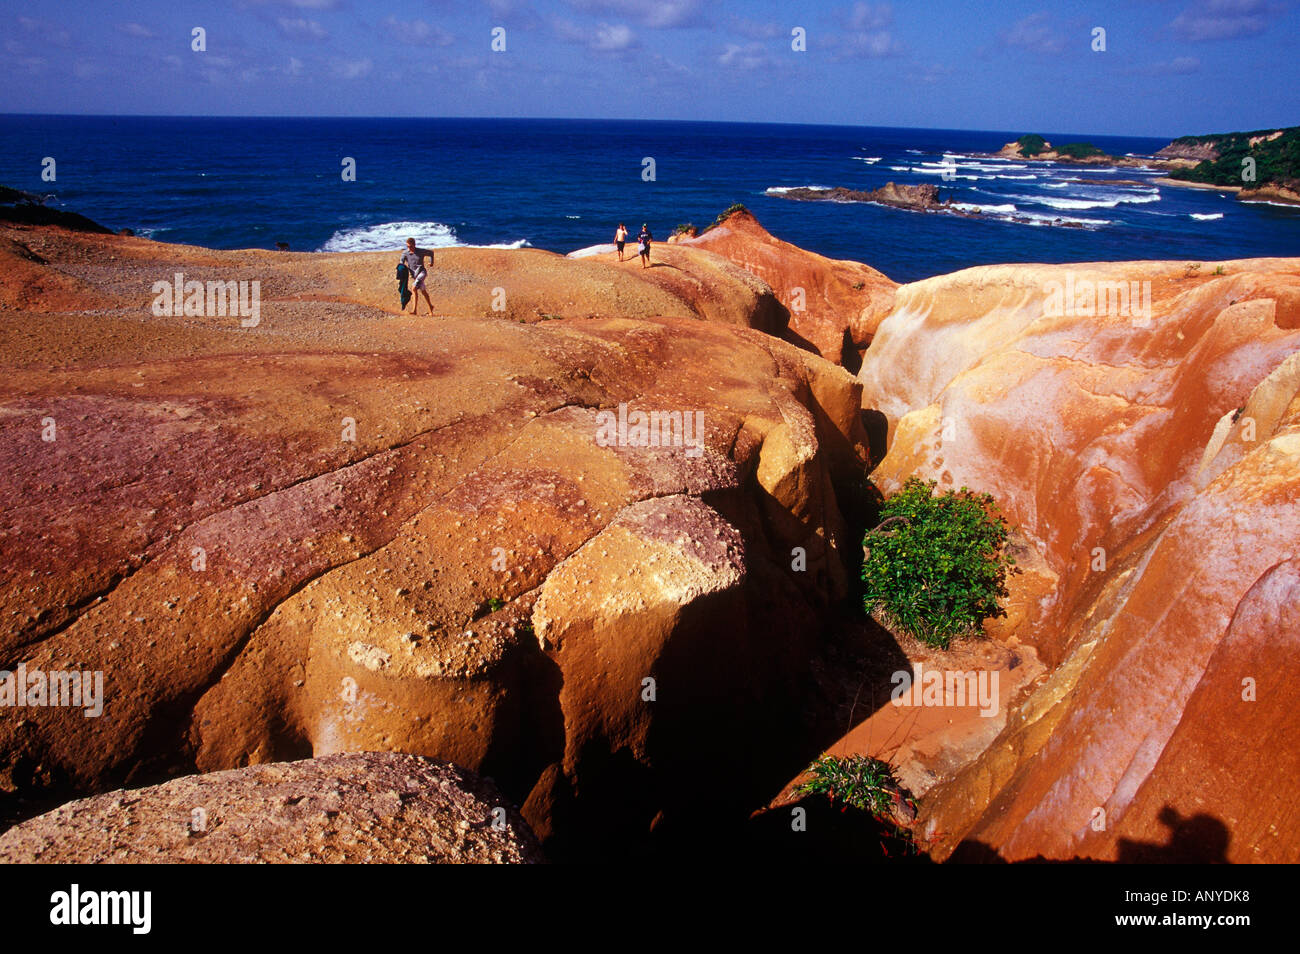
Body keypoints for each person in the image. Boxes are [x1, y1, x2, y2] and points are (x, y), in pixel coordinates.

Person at [401, 237, 434, 315]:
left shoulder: (420, 251)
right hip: (415, 275)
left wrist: (431, 262)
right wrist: (401, 266)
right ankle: (431, 306)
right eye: (408, 246)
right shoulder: (405, 253)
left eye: (411, 246)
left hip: (422, 273)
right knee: (423, 291)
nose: (409, 248)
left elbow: (431, 253)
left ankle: (414, 310)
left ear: (414, 245)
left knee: (414, 288)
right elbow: (401, 261)